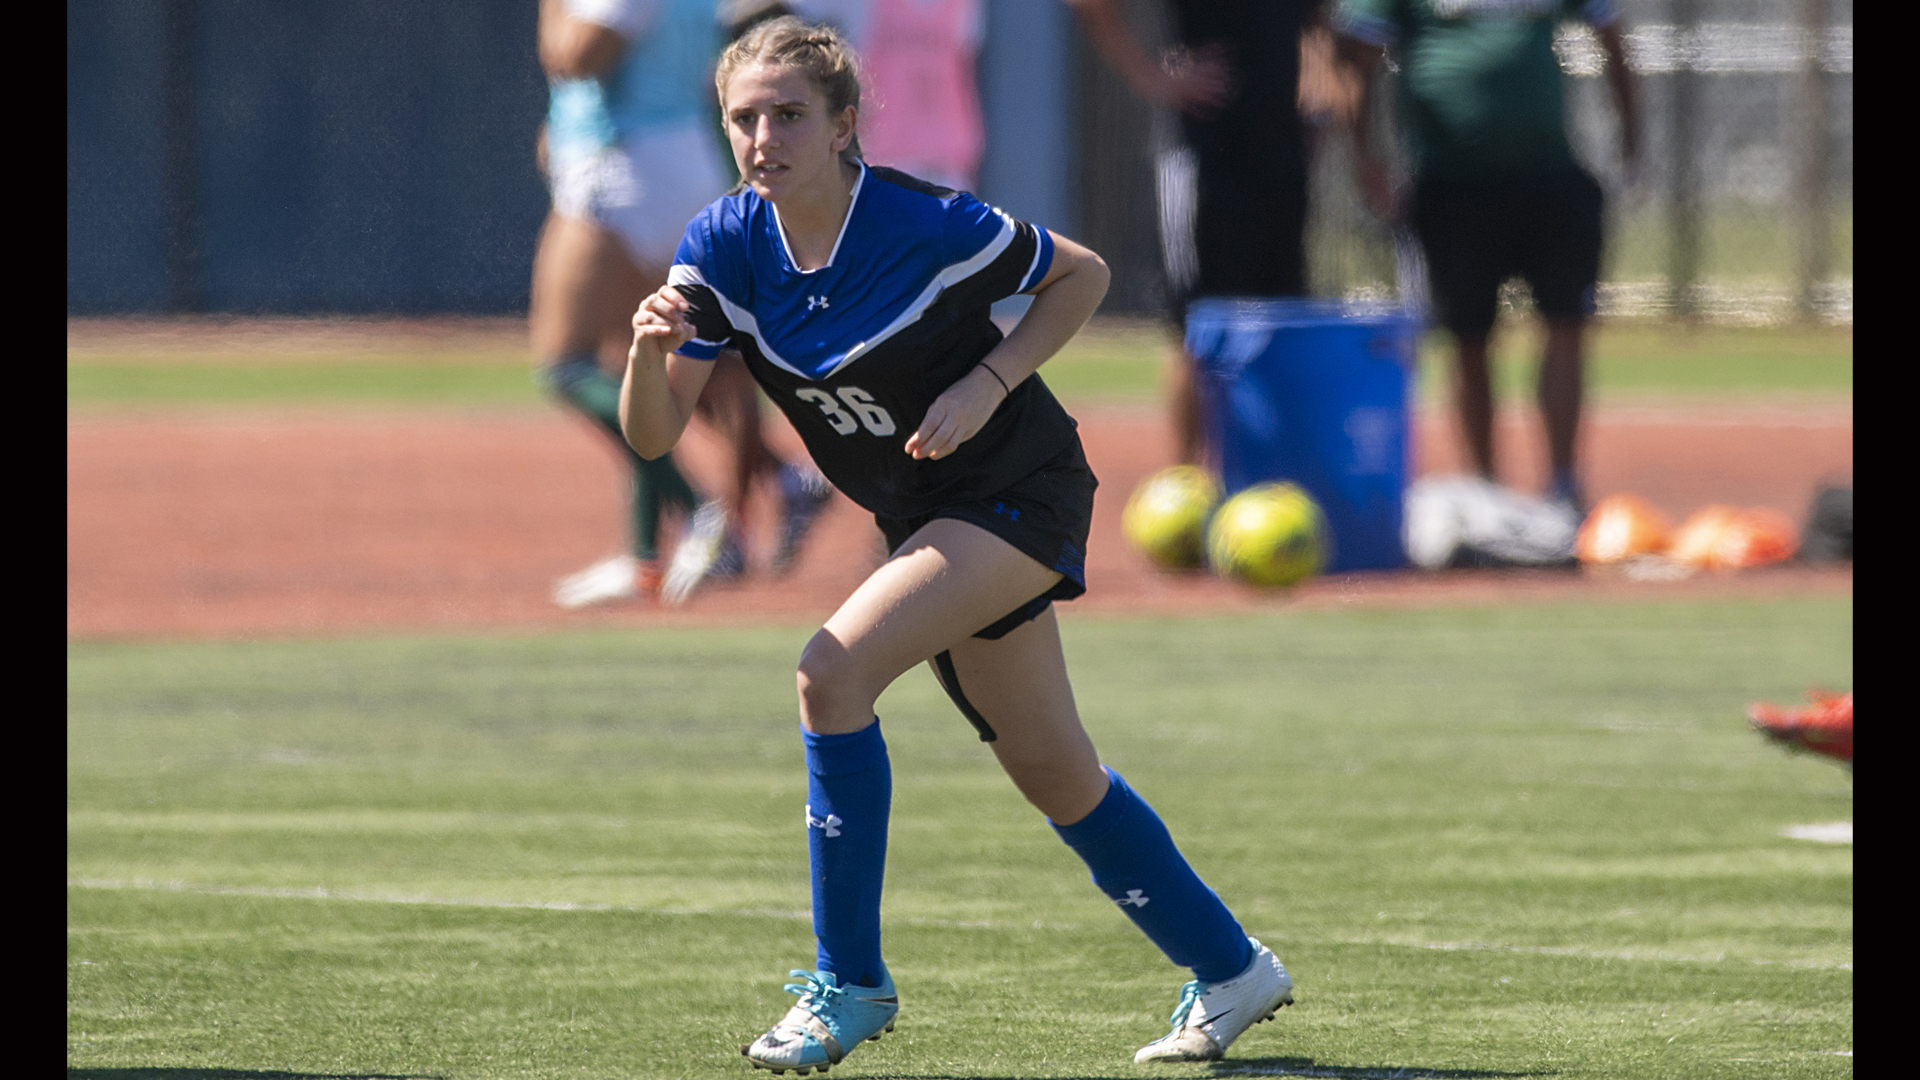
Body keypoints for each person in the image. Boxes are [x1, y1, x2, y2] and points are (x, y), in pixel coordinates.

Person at [622, 17, 1296, 1071]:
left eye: (789, 114)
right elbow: (655, 435)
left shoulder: (922, 221)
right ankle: (1232, 967)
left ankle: (848, 985)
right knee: (1053, 770)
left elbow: (1081, 275)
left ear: (845, 122)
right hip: (928, 515)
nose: (765, 137)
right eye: (745, 119)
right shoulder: (722, 245)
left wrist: (987, 383)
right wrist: (646, 353)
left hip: (1018, 488)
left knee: (829, 675)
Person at [536, 0, 835, 610]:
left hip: (627, 165)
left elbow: (575, 58)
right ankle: (653, 551)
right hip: (658, 156)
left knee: (568, 365)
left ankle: (704, 509)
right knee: (652, 357)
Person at [1333, 0, 1640, 510]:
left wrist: (1631, 141)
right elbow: (1357, 58)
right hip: (1451, 182)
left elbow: (1612, 35)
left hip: (1550, 174)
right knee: (1467, 337)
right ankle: (1485, 489)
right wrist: (1367, 161)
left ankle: (1563, 485)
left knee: (1566, 325)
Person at [1067, 0, 1323, 467]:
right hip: (1205, 151)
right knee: (1197, 324)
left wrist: (1316, 85)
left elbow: (1320, 21)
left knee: (1284, 318)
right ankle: (1189, 483)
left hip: (1283, 151)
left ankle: (1275, 476)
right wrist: (1153, 75)